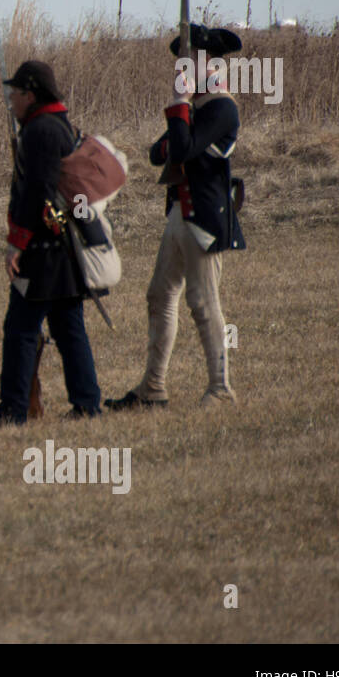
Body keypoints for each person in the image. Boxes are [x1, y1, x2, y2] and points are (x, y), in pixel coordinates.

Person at [106, 25, 245, 411]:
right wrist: (181, 112)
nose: (181, 67)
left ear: (209, 63)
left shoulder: (220, 107)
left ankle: (221, 389)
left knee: (203, 302)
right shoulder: (197, 108)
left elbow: (179, 148)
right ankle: (153, 388)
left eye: (190, 59)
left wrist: (179, 103)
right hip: (179, 213)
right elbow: (158, 152)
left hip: (203, 217)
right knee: (159, 295)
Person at [0, 60, 102, 427]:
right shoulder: (53, 125)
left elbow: (38, 193)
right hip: (61, 246)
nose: (11, 99)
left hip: (45, 250)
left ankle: (12, 410)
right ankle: (87, 404)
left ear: (31, 94)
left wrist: (18, 243)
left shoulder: (40, 130)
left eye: (16, 93)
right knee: (68, 327)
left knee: (21, 330)